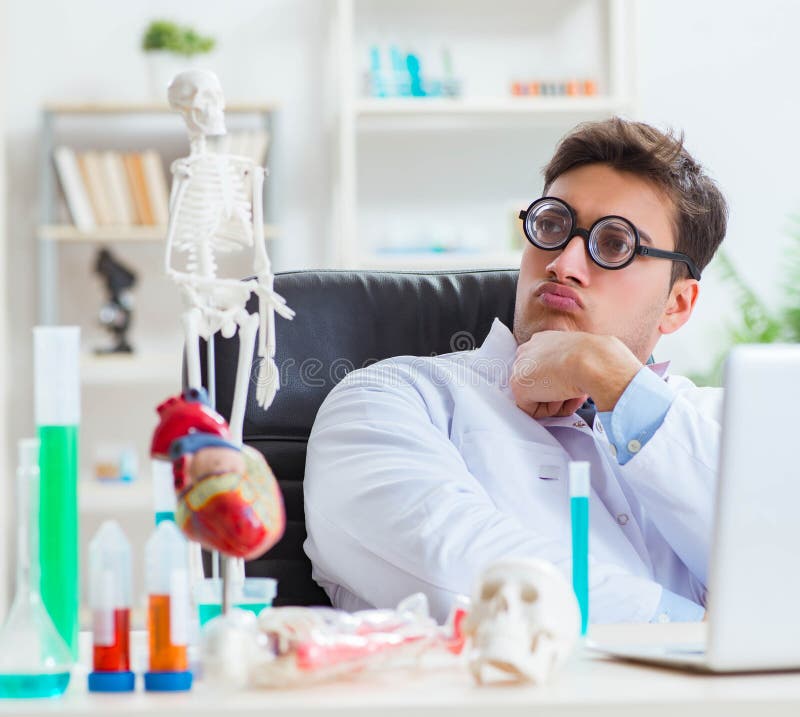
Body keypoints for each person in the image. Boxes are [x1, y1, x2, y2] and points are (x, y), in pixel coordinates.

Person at [303, 117, 728, 624]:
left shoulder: (722, 424)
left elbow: (775, 557)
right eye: (552, 225)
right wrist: (712, 636)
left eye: (615, 244)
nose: (564, 262)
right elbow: (451, 566)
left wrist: (613, 380)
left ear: (677, 305)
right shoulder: (392, 398)